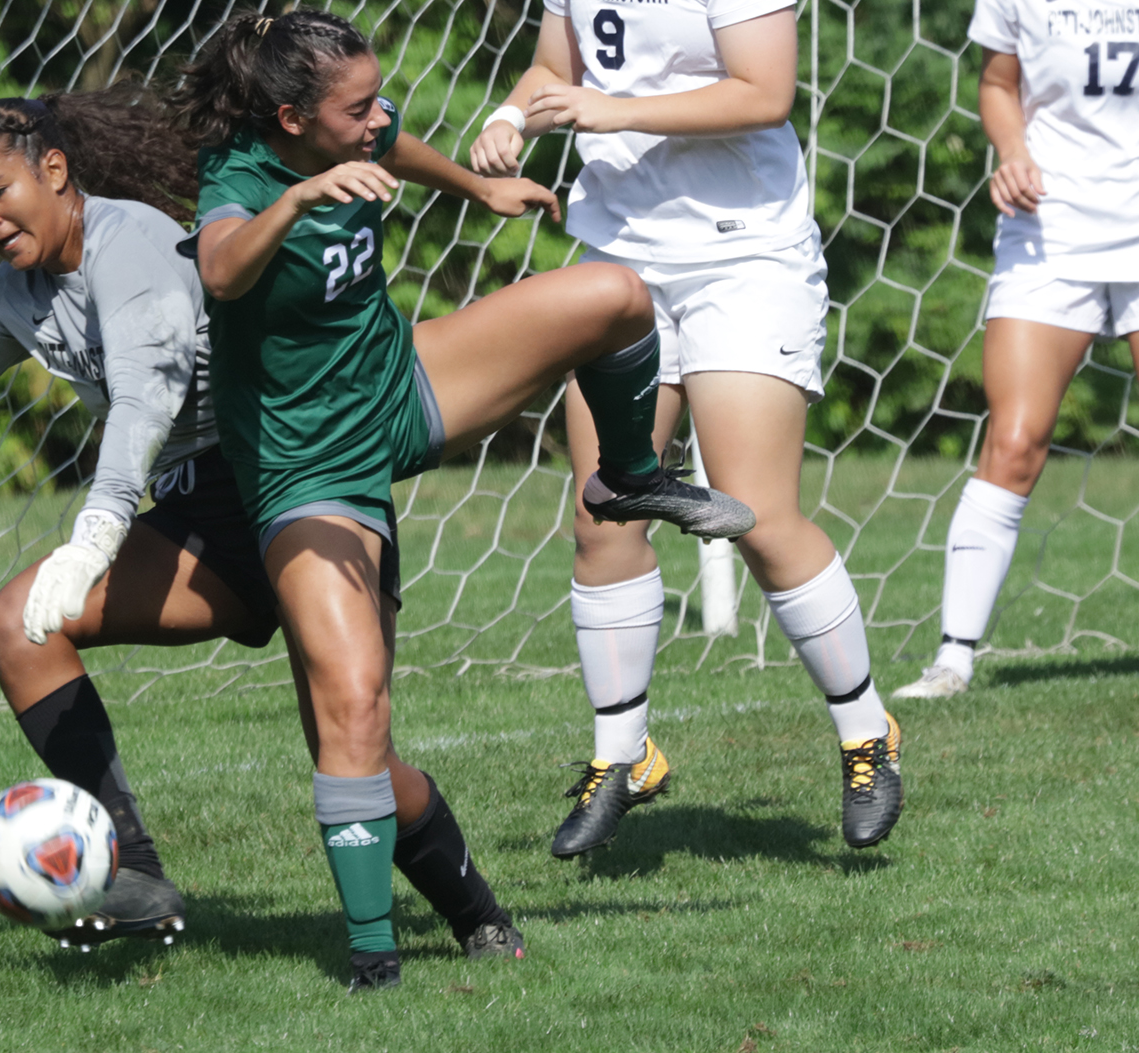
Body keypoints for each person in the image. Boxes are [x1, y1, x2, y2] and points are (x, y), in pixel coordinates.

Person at [0, 89, 528, 960]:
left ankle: (480, 921)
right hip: (202, 517)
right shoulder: (14, 294)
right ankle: (134, 871)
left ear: (54, 171)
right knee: (19, 624)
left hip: (293, 477)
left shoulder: (130, 245)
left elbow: (144, 399)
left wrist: (94, 537)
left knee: (354, 755)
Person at [173, 9, 751, 991]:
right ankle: (374, 960)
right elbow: (224, 271)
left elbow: (394, 137)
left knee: (614, 297)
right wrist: (304, 199)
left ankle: (626, 477)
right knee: (354, 715)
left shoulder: (352, 128)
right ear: (288, 120)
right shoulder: (243, 180)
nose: (375, 121)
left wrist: (478, 185)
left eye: (373, 101)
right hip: (310, 469)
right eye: (353, 112)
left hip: (403, 386)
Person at [469, 0, 904, 858]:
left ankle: (867, 737)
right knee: (603, 511)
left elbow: (764, 92)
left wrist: (614, 111)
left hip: (743, 259)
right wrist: (512, 113)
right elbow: (557, 67)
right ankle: (623, 756)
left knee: (754, 512)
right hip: (622, 258)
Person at [890, 0, 1139, 699]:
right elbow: (998, 83)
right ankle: (953, 660)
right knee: (1017, 440)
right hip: (1049, 223)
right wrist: (1012, 153)